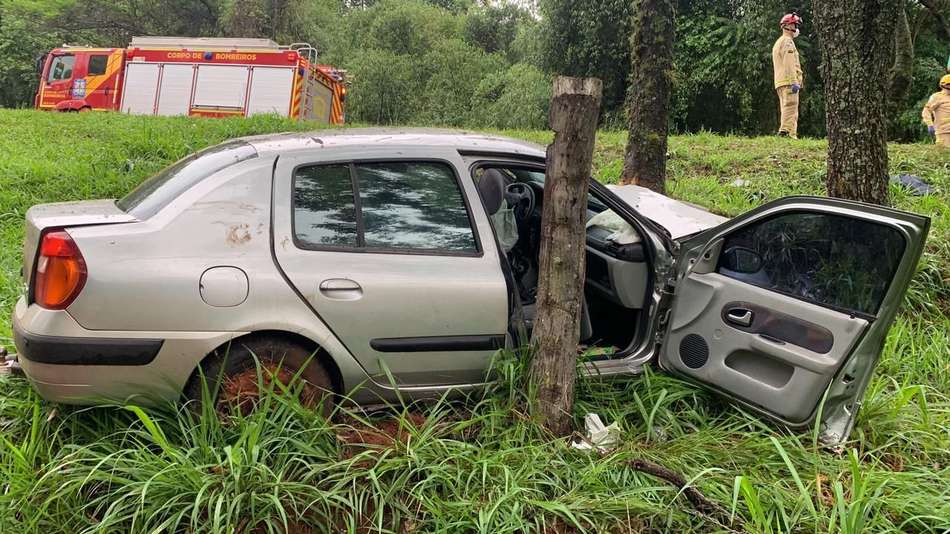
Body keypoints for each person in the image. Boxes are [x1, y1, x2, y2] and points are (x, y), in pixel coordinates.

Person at [772, 13, 804, 138]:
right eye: (795, 25)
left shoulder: (779, 42)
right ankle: (786, 133)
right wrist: (794, 81)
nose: (796, 28)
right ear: (788, 26)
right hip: (789, 81)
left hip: (782, 81)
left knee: (788, 109)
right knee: (791, 107)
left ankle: (791, 134)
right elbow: (789, 63)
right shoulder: (787, 42)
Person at [922, 74, 950, 148]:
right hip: (943, 133)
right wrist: (930, 124)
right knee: (945, 156)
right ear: (943, 85)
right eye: (948, 85)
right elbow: (926, 111)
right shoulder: (937, 97)